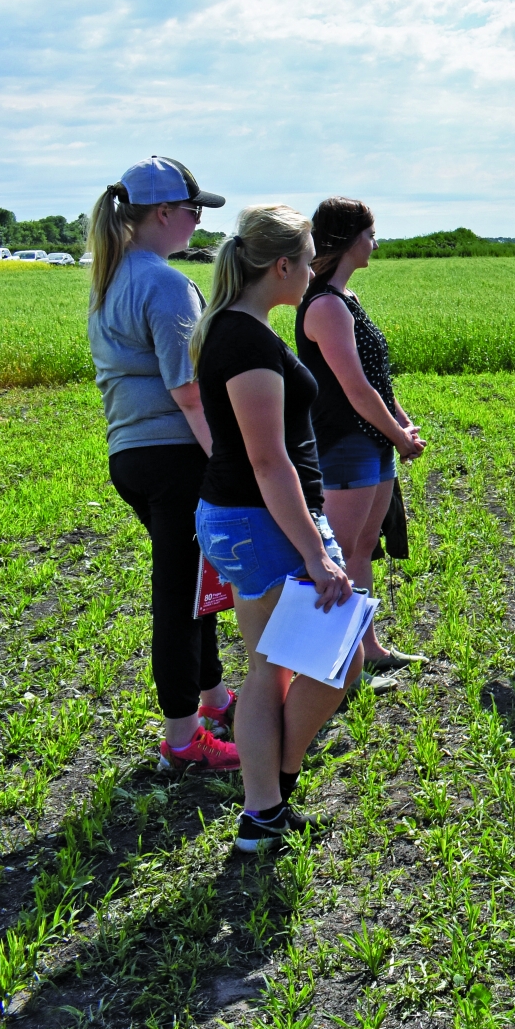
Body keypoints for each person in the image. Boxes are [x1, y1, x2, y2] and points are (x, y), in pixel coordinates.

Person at [191, 204, 362, 853]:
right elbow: (269, 461)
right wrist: (318, 554)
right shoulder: (249, 341)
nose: (317, 266)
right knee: (335, 656)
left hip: (244, 519)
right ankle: (276, 788)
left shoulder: (239, 329)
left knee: (272, 667)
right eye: (310, 254)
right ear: (282, 264)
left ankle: (264, 811)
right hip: (263, 521)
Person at [86, 157, 240, 773]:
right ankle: (182, 741)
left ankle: (214, 698)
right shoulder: (165, 283)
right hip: (175, 456)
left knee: (198, 585)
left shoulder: (113, 275)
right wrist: (229, 464)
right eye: (194, 209)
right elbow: (190, 391)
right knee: (179, 596)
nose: (199, 221)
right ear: (163, 214)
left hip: (131, 453)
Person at [295, 197, 428, 673]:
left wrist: (401, 422)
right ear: (351, 240)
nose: (375, 242)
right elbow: (353, 389)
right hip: (344, 443)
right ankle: (329, 664)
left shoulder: (346, 299)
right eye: (370, 234)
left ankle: (366, 649)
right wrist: (397, 435)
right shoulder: (326, 306)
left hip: (370, 439)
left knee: (360, 550)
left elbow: (376, 379)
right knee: (339, 556)